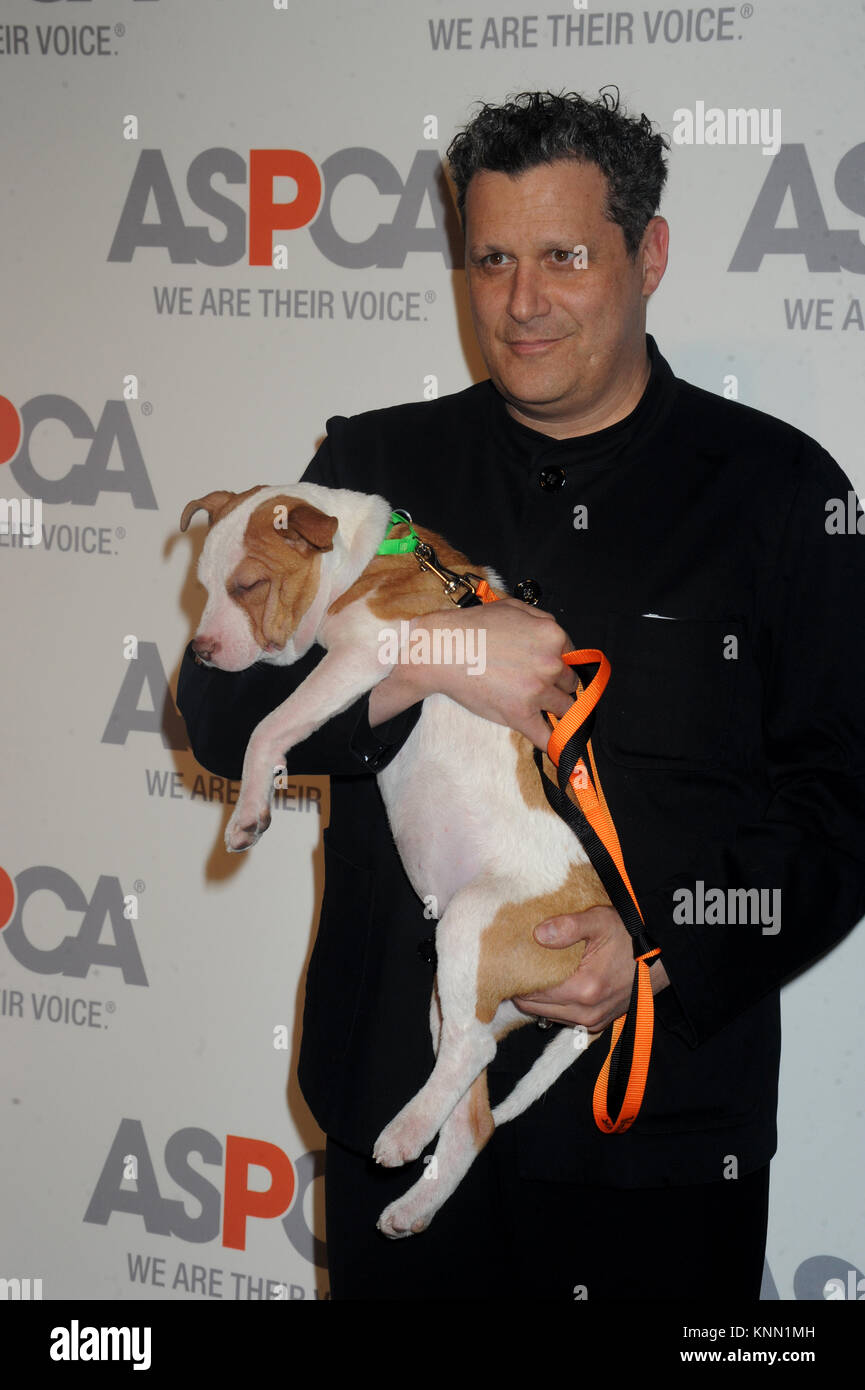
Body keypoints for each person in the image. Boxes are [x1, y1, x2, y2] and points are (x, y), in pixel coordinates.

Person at [177, 90, 865, 1301]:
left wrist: (658, 955)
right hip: (390, 1098)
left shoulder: (778, 491)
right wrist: (441, 657)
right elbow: (223, 718)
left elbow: (842, 802)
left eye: (563, 256)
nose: (520, 301)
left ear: (647, 255)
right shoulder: (367, 466)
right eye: (491, 258)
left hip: (657, 1127)